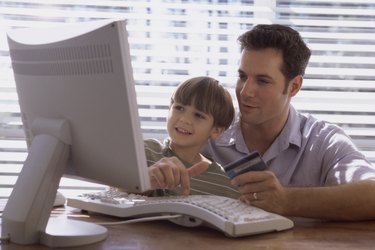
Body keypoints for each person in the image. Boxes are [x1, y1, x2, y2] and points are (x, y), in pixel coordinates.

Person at [202, 24, 375, 221]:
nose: (245, 92)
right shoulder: (207, 130)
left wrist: (286, 200)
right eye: (242, 76)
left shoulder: (324, 141)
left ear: (294, 86)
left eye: (263, 81)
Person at [143, 76, 240, 199]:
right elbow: (115, 193)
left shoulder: (226, 185)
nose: (184, 119)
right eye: (179, 108)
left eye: (198, 115)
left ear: (216, 130)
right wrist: (143, 182)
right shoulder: (144, 152)